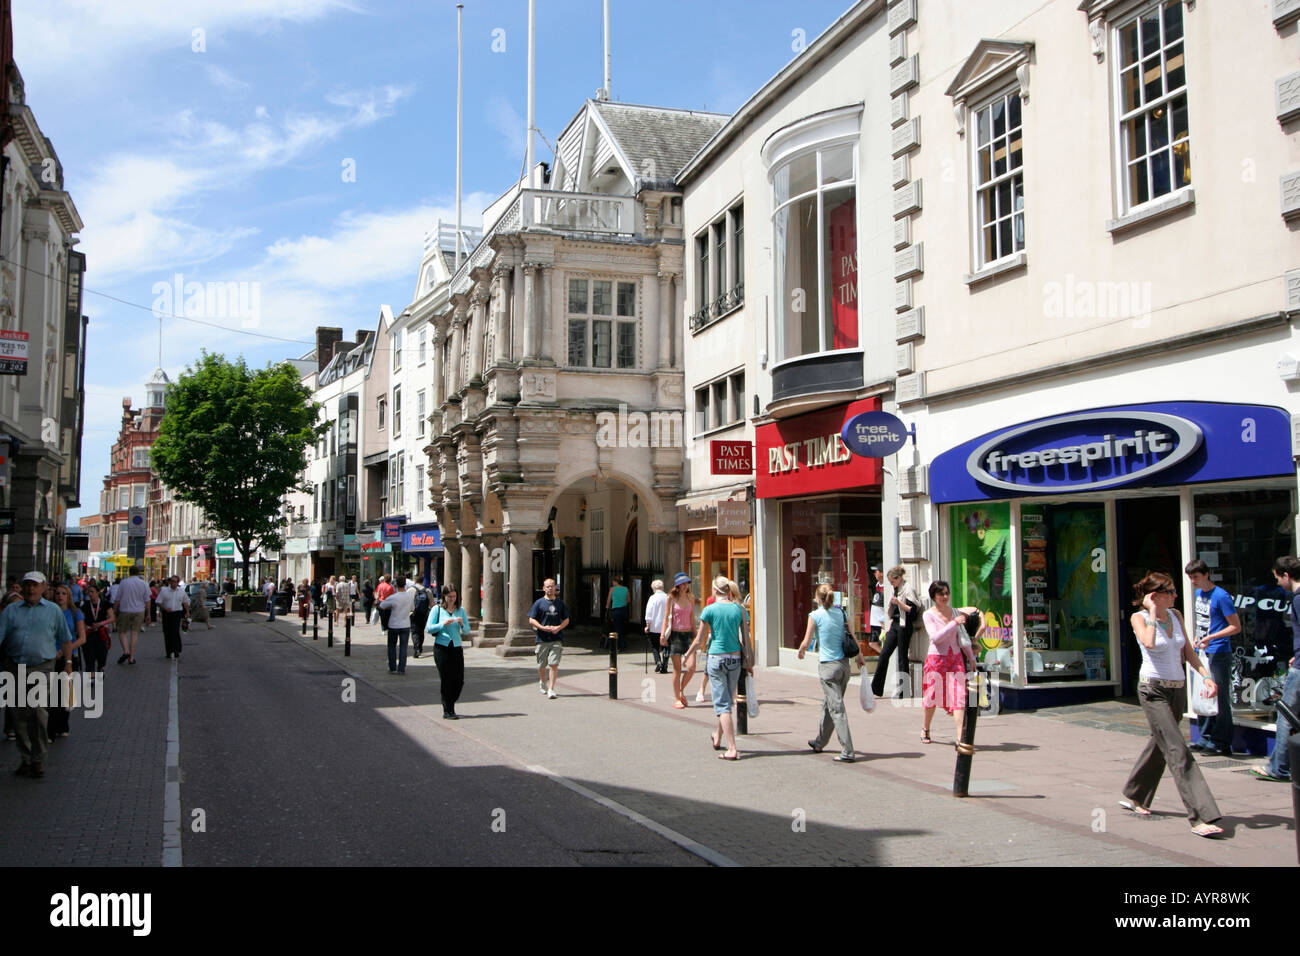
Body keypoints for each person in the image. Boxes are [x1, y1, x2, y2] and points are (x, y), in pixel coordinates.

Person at [1119, 571, 1224, 838]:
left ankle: (1135, 793)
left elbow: (1187, 651)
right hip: (1152, 690)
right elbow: (1150, 643)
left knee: (1160, 743)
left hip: (1177, 691)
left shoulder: (1176, 616)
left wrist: (1206, 677)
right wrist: (1152, 613)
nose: (1176, 595)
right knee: (1178, 749)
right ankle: (1201, 815)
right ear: (1155, 596)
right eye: (1171, 592)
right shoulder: (1139, 617)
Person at [1, 572, 74, 778]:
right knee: (18, 714)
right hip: (15, 667)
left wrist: (68, 663)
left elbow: (65, 639)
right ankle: (26, 758)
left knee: (39, 712)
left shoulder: (52, 611)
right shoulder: (11, 611)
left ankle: (39, 758)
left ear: (43, 588)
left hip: (42, 666)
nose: (30, 589)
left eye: (35, 586)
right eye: (27, 585)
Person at [685, 576, 752, 761]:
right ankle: (718, 735)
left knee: (722, 705)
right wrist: (749, 662)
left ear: (715, 591)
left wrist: (688, 654)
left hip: (716, 658)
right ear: (728, 591)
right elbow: (746, 637)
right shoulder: (739, 609)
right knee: (726, 702)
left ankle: (732, 748)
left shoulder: (709, 610)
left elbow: (699, 640)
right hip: (735, 658)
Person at [798, 583, 863, 762]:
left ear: (817, 598)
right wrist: (860, 656)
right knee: (828, 704)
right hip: (844, 667)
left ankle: (848, 751)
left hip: (828, 667)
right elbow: (852, 635)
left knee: (837, 709)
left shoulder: (815, 615)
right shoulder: (841, 613)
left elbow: (807, 640)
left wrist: (802, 650)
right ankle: (820, 742)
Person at [1185, 560, 1241, 757]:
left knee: (1219, 696)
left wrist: (1211, 637)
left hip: (1218, 652)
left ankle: (1221, 741)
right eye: (1190, 578)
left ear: (1206, 574)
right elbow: (1203, 621)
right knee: (1202, 693)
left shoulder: (1221, 596)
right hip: (1202, 650)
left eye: (1196, 577)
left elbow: (1235, 626)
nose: (1193, 582)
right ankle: (1205, 736)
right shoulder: (1199, 593)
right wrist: (1197, 638)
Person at [1253, 555, 1300, 782]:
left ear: (1287, 576)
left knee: (1286, 714)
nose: (1278, 583)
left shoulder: (1298, 599)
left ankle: (1278, 767)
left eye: (1278, 578)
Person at [920, 580, 979, 747]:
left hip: (955, 660)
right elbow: (936, 638)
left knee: (959, 696)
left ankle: (961, 737)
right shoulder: (928, 615)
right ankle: (925, 728)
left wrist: (971, 658)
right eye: (941, 594)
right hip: (936, 660)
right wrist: (953, 623)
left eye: (947, 593)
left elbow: (962, 639)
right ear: (934, 596)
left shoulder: (954, 612)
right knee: (931, 696)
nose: (945, 597)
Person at [872, 566, 920, 700]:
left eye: (892, 581)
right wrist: (889, 625)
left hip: (905, 625)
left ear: (898, 578)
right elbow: (893, 610)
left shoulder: (908, 588)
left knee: (902, 658)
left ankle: (903, 691)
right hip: (895, 624)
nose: (891, 584)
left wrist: (898, 602)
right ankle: (876, 687)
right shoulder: (896, 589)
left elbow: (913, 610)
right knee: (884, 654)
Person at [47, 584, 86, 739]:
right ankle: (51, 728)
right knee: (52, 694)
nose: (60, 596)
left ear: (69, 596)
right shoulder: (49, 612)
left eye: (64, 593)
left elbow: (82, 638)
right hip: (52, 656)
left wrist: (65, 651)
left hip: (70, 657)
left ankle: (63, 724)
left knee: (66, 693)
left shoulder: (75, 613)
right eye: (57, 593)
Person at [426, 585, 470, 718]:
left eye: (454, 596)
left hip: (456, 647)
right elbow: (429, 628)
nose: (452, 599)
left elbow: (467, 631)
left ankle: (450, 702)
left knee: (459, 680)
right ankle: (448, 710)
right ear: (444, 596)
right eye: (449, 596)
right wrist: (442, 624)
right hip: (442, 647)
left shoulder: (460, 610)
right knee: (446, 679)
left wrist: (462, 624)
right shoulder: (437, 609)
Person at [660, 572, 698, 708]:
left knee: (692, 667)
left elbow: (692, 617)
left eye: (687, 583)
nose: (685, 586)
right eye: (682, 583)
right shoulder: (671, 598)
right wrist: (662, 635)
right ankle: (677, 698)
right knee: (677, 669)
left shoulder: (691, 598)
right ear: (677, 585)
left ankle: (681, 690)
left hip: (688, 634)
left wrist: (696, 635)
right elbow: (666, 617)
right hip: (675, 635)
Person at [529, 578, 569, 699]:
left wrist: (559, 627)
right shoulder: (539, 603)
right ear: (544, 588)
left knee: (553, 664)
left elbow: (566, 619)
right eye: (548, 586)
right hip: (542, 639)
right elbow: (531, 619)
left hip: (556, 638)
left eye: (552, 586)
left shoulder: (560, 603)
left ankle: (551, 688)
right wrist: (542, 627)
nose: (550, 588)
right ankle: (542, 681)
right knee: (542, 665)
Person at [113, 566, 151, 665]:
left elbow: (117, 599)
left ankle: (126, 651)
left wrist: (114, 611)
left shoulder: (123, 583)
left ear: (129, 572)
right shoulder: (143, 584)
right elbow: (147, 600)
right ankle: (131, 657)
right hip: (139, 611)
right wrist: (148, 614)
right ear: (138, 573)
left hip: (125, 610)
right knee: (134, 633)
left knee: (122, 632)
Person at [378, 574, 414, 674]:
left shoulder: (394, 597)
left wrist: (390, 607)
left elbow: (382, 606)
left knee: (392, 646)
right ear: (405, 584)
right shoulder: (409, 597)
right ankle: (402, 668)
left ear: (396, 585)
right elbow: (412, 608)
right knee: (403, 647)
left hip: (394, 624)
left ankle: (392, 667)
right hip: (405, 624)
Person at [79, 583, 114, 681]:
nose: (90, 594)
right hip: (89, 632)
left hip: (101, 632)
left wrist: (101, 623)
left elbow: (112, 618)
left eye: (92, 592)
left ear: (98, 592)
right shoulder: (85, 605)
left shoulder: (105, 603)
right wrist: (84, 626)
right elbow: (81, 618)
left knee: (102, 653)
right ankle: (91, 675)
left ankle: (101, 666)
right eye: (88, 592)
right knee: (89, 653)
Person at [157, 576, 187, 659]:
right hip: (167, 614)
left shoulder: (181, 591)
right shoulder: (164, 591)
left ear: (178, 583)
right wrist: (164, 608)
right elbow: (158, 601)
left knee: (175, 631)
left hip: (177, 613)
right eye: (172, 581)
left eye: (175, 581)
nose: (174, 583)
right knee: (167, 632)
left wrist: (187, 612)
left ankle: (176, 650)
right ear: (170, 582)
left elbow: (185, 602)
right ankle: (169, 651)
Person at [644, 579, 669, 674]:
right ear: (662, 588)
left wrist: (647, 625)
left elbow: (649, 612)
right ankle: (665, 665)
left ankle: (658, 661)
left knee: (654, 645)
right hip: (666, 627)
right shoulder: (667, 597)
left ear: (654, 588)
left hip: (655, 626)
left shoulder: (652, 598)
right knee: (666, 646)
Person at [409, 577, 433, 658]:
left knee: (414, 631)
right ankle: (420, 647)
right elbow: (432, 604)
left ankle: (416, 648)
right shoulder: (427, 590)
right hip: (424, 614)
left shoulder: (410, 590)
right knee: (421, 631)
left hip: (413, 614)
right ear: (423, 581)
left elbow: (407, 603)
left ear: (415, 581)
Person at [605, 576, 629, 651]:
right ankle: (624, 643)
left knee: (617, 628)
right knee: (622, 627)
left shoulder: (612, 589)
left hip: (616, 610)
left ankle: (620, 645)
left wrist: (607, 608)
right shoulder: (626, 589)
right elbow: (628, 600)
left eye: (613, 581)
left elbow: (608, 600)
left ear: (615, 582)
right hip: (624, 610)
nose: (612, 583)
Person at [866, 566, 887, 648]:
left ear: (881, 573)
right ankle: (884, 656)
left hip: (881, 620)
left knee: (882, 641)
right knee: (872, 643)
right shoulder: (877, 584)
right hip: (874, 620)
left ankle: (885, 657)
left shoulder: (886, 586)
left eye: (876, 571)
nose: (874, 574)